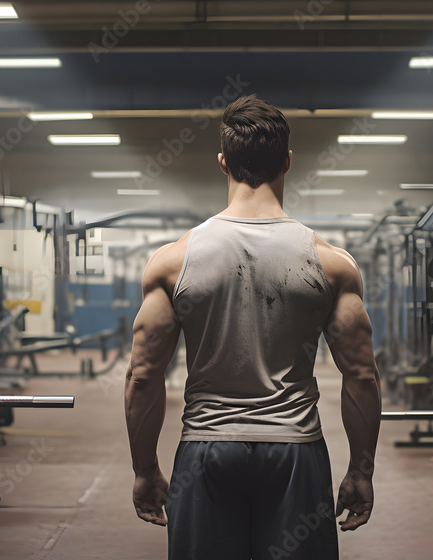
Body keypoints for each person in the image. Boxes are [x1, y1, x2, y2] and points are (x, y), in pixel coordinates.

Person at [124, 94, 381, 559]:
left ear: (223, 163)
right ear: (287, 161)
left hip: (205, 450)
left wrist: (144, 469)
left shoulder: (172, 262)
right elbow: (361, 375)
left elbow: (143, 375)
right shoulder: (331, 265)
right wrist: (361, 472)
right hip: (295, 452)